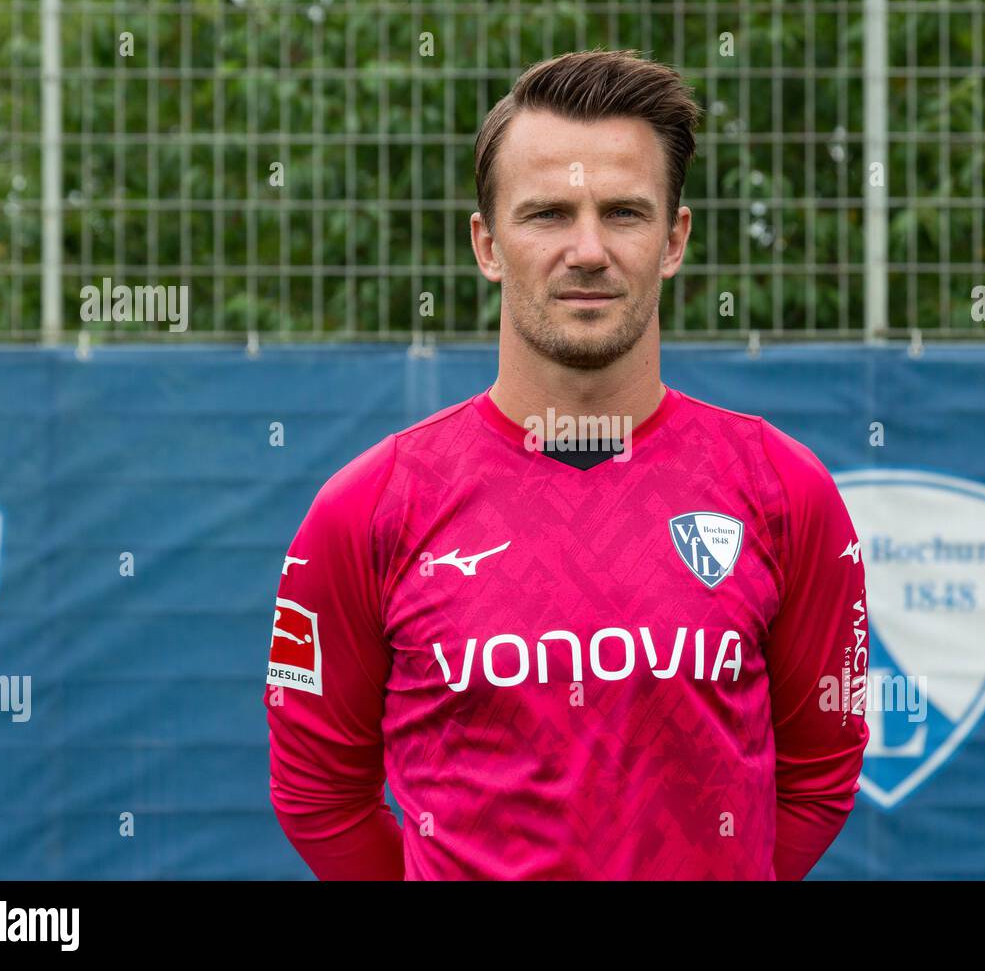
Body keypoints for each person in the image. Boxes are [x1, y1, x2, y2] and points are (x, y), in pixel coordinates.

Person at [263, 48, 870, 880]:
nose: (588, 250)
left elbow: (819, 773)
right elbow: (319, 799)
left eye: (623, 213)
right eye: (547, 214)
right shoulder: (368, 508)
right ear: (486, 244)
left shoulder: (784, 491)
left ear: (674, 239)